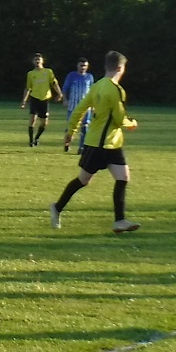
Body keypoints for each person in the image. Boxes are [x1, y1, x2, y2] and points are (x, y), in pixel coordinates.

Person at [52, 50, 140, 233]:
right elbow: (119, 119)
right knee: (84, 180)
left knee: (123, 177)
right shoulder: (115, 90)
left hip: (108, 143)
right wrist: (132, 124)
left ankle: (120, 221)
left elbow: (79, 110)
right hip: (102, 144)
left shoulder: (97, 85)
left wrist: (70, 131)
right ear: (120, 68)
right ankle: (57, 207)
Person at [19, 53, 63, 147]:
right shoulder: (31, 74)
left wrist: (60, 94)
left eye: (39, 59)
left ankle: (37, 138)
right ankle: (31, 141)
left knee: (44, 122)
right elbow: (28, 88)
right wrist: (24, 101)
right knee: (33, 119)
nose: (37, 61)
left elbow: (54, 83)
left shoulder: (48, 72)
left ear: (43, 61)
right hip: (35, 98)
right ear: (33, 61)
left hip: (45, 99)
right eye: (35, 59)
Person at [61, 58, 94, 152]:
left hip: (86, 107)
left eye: (85, 66)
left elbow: (92, 91)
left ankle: (82, 147)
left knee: (85, 127)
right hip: (73, 106)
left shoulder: (89, 77)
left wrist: (93, 105)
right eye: (81, 65)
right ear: (77, 66)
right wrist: (65, 100)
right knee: (70, 127)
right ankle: (67, 143)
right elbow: (65, 89)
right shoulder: (72, 76)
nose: (83, 68)